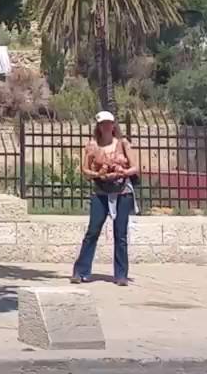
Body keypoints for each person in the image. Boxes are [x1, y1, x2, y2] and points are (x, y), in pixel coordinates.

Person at [72, 110, 138, 287]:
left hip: (122, 191)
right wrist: (97, 174)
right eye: (103, 124)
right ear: (99, 126)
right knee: (93, 231)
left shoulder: (123, 144)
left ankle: (121, 274)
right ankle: (81, 271)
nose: (106, 126)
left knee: (120, 234)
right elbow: (85, 170)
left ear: (114, 125)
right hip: (101, 192)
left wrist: (123, 172)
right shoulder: (92, 146)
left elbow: (135, 167)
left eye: (109, 123)